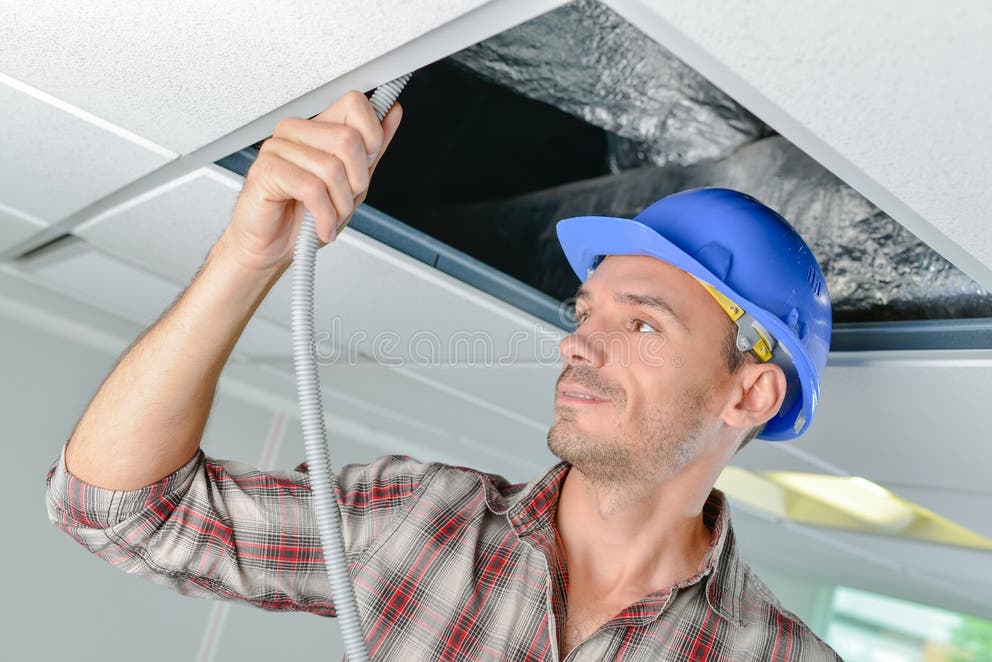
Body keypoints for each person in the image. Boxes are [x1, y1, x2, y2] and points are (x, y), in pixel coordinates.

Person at [46, 91, 840, 660]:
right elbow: (117, 510)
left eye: (639, 323)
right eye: (583, 312)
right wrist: (247, 257)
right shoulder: (420, 523)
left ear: (751, 392)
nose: (579, 345)